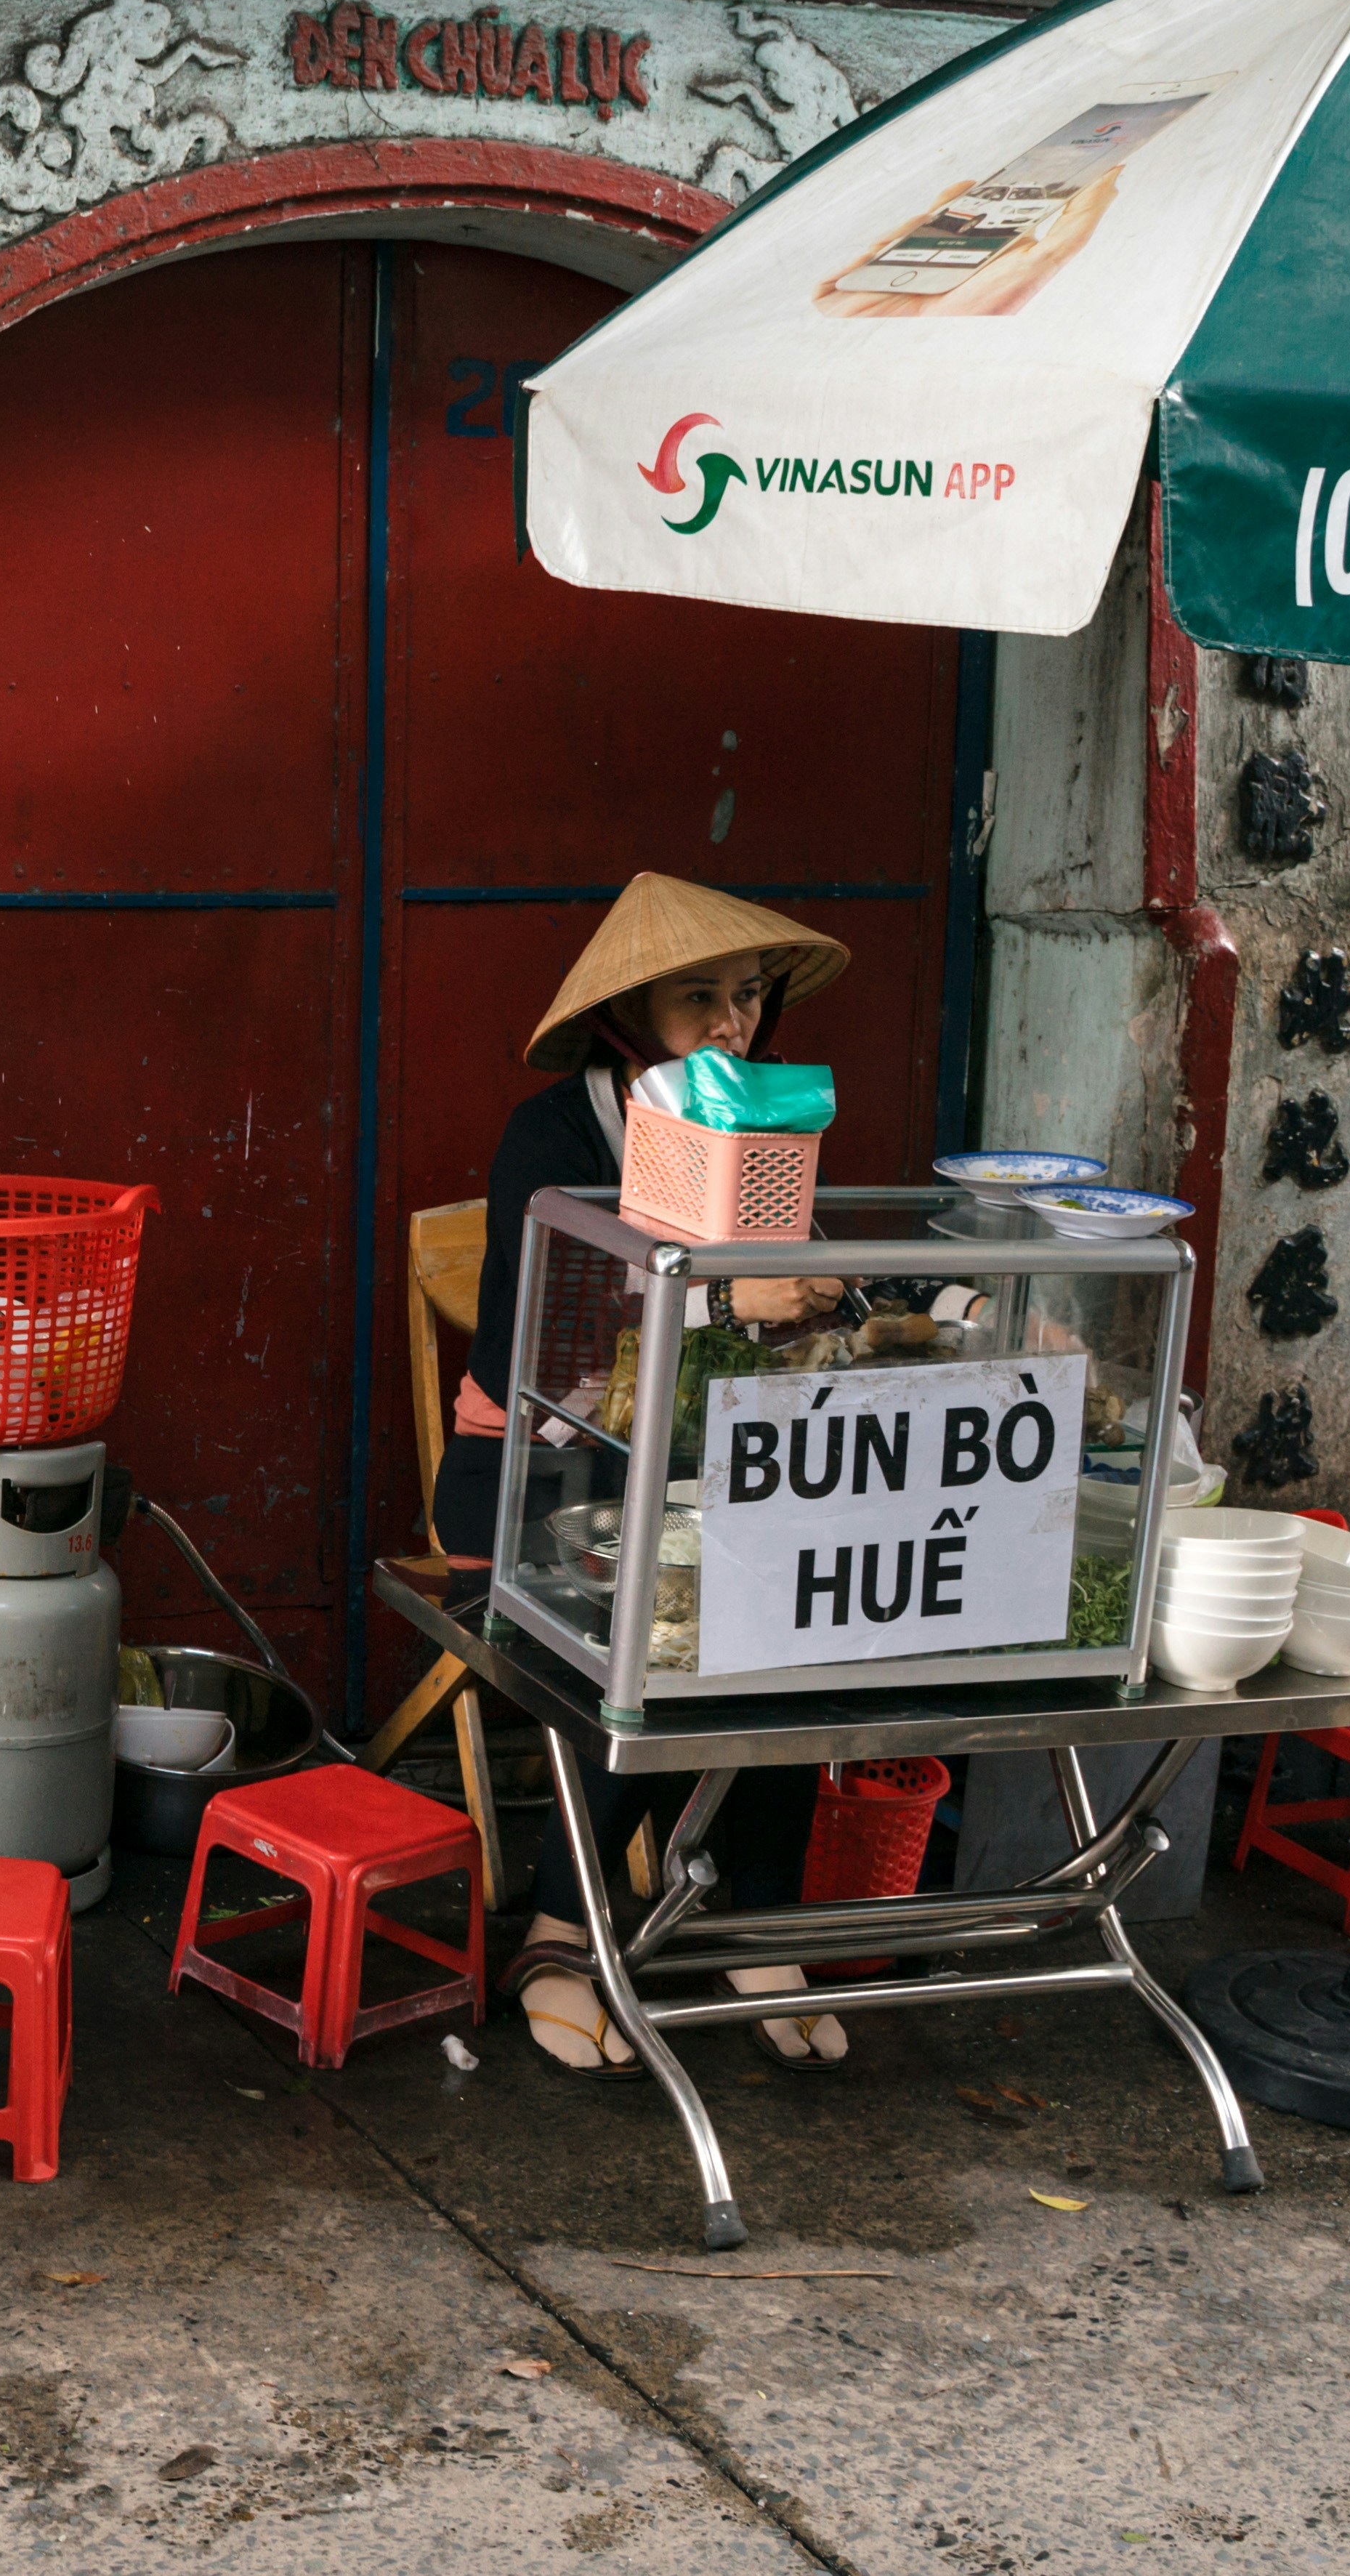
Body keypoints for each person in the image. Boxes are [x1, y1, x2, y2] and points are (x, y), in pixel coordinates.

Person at [432, 873, 858, 2076]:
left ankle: (746, 1912)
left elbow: (819, 1272)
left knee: (794, 1597)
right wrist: (726, 1295)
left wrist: (872, 1299)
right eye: (699, 999)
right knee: (645, 1611)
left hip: (686, 1484)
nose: (732, 1024)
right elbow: (544, 1348)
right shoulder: (552, 1136)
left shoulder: (759, 1131)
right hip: (524, 1487)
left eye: (746, 997)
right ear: (629, 1017)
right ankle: (561, 1932)